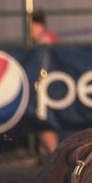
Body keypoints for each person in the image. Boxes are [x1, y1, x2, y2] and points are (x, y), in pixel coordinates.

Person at [30, 10, 60, 158]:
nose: (30, 29)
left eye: (32, 25)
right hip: (42, 88)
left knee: (44, 122)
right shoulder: (36, 41)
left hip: (49, 88)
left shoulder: (47, 39)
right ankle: (45, 157)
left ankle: (53, 157)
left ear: (39, 25)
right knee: (39, 123)